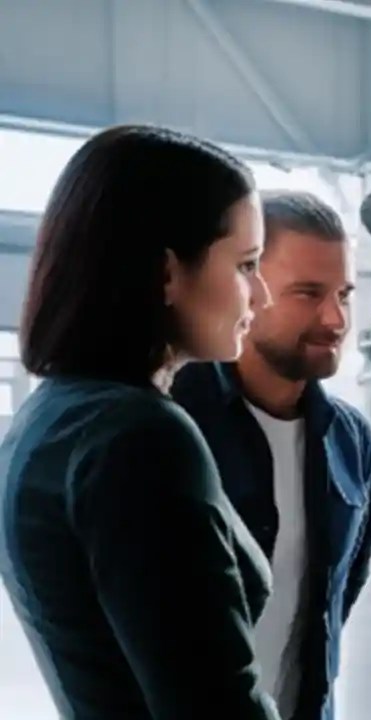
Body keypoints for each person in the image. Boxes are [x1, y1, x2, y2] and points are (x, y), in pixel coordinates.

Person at [0, 125, 279, 718]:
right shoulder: (141, 438)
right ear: (166, 273)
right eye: (246, 265)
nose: (262, 296)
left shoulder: (48, 417)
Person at [169, 189, 371, 720]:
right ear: (247, 286)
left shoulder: (352, 439)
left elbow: (338, 598)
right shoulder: (170, 421)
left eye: (345, 294)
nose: (336, 319)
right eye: (308, 293)